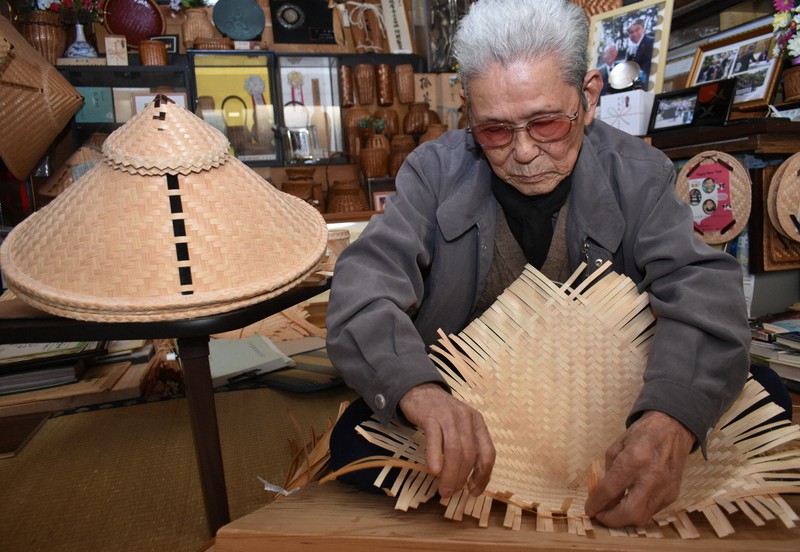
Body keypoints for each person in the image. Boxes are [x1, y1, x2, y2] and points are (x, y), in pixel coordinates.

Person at [326, 0, 751, 529]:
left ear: (589, 98)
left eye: (546, 123)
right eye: (495, 131)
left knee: (753, 397)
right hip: (484, 411)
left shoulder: (639, 174)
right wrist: (422, 393)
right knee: (355, 442)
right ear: (468, 111)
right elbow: (363, 289)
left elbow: (700, 288)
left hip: (605, 405)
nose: (523, 152)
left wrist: (669, 417)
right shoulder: (433, 173)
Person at [625, 18, 654, 82]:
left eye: (637, 30)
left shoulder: (651, 42)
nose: (634, 34)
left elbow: (649, 66)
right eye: (631, 32)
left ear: (643, 28)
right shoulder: (629, 50)